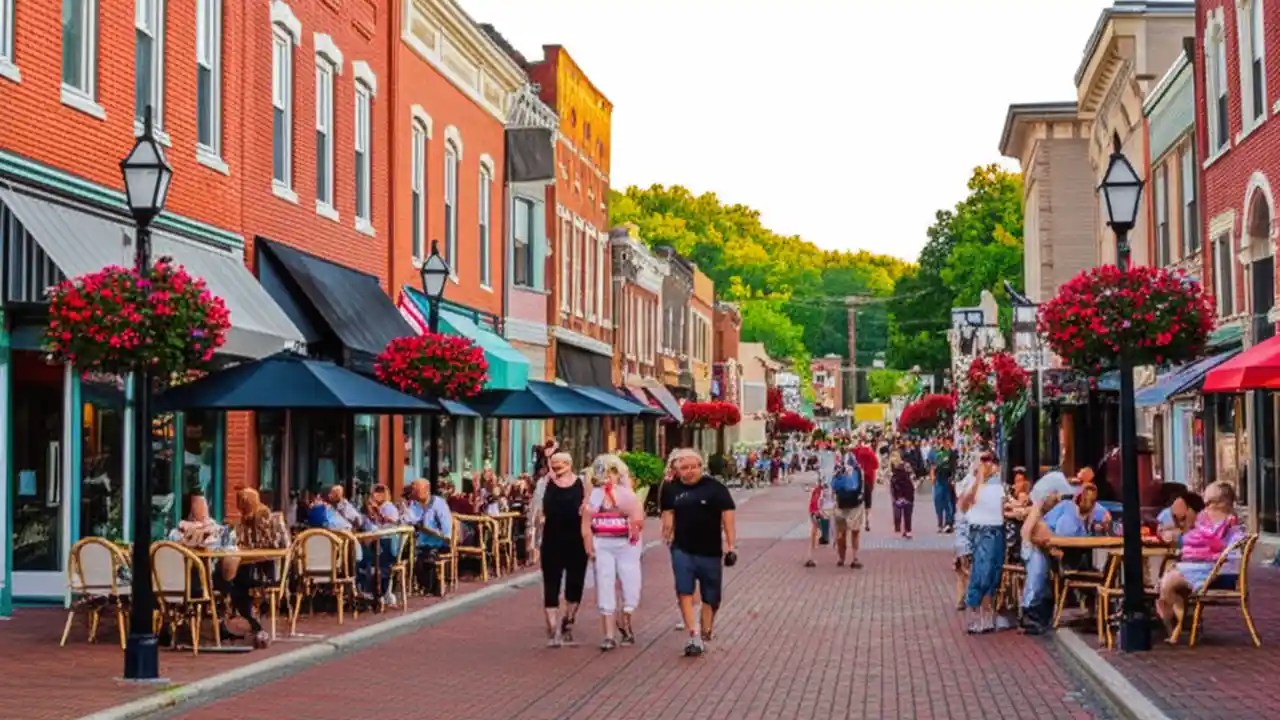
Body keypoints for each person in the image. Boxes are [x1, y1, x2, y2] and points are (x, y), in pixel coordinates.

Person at [661, 448, 737, 657]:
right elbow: (668, 514)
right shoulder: (671, 489)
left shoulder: (716, 489)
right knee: (684, 590)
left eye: (695, 467)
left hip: (710, 551)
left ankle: (706, 629)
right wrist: (666, 533)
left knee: (711, 597)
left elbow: (728, 518)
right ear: (677, 469)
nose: (690, 471)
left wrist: (731, 546)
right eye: (685, 467)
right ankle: (693, 634)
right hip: (682, 549)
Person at [1156, 481, 1245, 642]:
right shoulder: (1210, 521)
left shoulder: (1224, 522)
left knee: (1168, 582)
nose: (1205, 508)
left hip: (1219, 571)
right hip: (1208, 567)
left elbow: (1215, 546)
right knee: (1168, 577)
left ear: (1220, 503)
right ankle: (1179, 623)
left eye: (1209, 503)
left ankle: (1177, 625)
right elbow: (1196, 540)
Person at [582, 454, 645, 650]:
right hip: (603, 543)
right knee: (605, 583)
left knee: (630, 583)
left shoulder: (628, 495)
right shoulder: (594, 496)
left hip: (626, 545)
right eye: (604, 473)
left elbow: (638, 520)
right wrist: (589, 545)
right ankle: (608, 634)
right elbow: (586, 523)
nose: (608, 477)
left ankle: (625, 620)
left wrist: (627, 514)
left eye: (612, 472)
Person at [535, 452, 589, 647]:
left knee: (575, 584)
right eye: (554, 463)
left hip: (576, 541)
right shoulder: (544, 484)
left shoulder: (582, 483)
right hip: (551, 540)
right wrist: (533, 542)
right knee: (551, 583)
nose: (557, 466)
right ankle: (552, 628)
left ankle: (569, 620)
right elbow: (535, 512)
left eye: (561, 463)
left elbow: (590, 507)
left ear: (569, 464)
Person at [958, 451, 1005, 634]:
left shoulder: (998, 484)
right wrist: (979, 479)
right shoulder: (971, 482)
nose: (988, 464)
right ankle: (974, 611)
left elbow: (1000, 508)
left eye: (991, 460)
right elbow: (964, 505)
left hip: (997, 528)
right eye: (984, 460)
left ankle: (987, 614)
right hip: (981, 530)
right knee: (982, 571)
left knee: (993, 573)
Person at [830, 462, 864, 567]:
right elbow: (862, 487)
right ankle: (855, 558)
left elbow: (833, 486)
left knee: (841, 533)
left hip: (841, 504)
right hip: (855, 505)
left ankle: (841, 558)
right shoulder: (858, 469)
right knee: (855, 532)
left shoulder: (838, 467)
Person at [930, 436, 957, 533]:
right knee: (938, 502)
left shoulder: (953, 453)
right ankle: (940, 524)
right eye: (946, 442)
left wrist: (953, 479)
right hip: (938, 480)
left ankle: (949, 523)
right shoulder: (937, 452)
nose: (947, 444)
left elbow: (955, 467)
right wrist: (932, 476)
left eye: (950, 442)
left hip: (948, 480)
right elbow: (933, 466)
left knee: (949, 503)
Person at [805, 477, 831, 568]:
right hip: (818, 513)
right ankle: (810, 557)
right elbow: (816, 502)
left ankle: (811, 556)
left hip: (817, 513)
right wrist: (818, 512)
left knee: (815, 533)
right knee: (815, 534)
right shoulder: (820, 491)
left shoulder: (818, 490)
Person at [889, 452, 916, 539]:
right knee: (907, 511)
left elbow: (888, 479)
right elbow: (913, 476)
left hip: (900, 492)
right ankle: (907, 530)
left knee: (899, 508)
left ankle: (901, 527)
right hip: (907, 492)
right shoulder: (906, 465)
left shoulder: (893, 469)